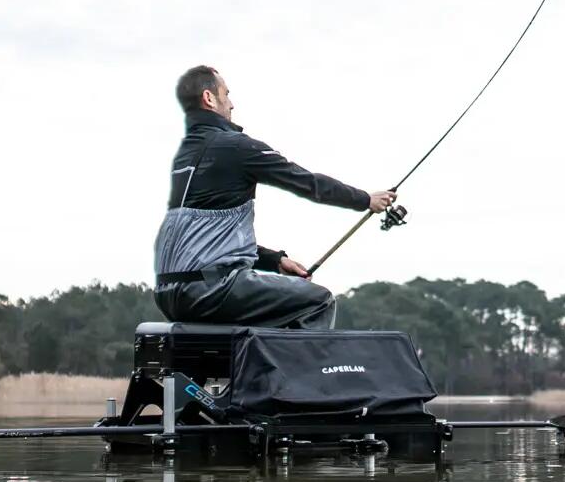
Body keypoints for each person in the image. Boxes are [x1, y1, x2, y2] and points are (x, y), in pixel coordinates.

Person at [153, 66, 395, 330]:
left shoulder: (185, 156)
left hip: (169, 293)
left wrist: (274, 261)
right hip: (210, 291)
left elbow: (203, 246)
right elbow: (307, 182)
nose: (232, 104)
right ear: (210, 98)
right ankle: (296, 372)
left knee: (278, 307)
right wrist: (365, 200)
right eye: (227, 94)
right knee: (317, 301)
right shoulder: (237, 146)